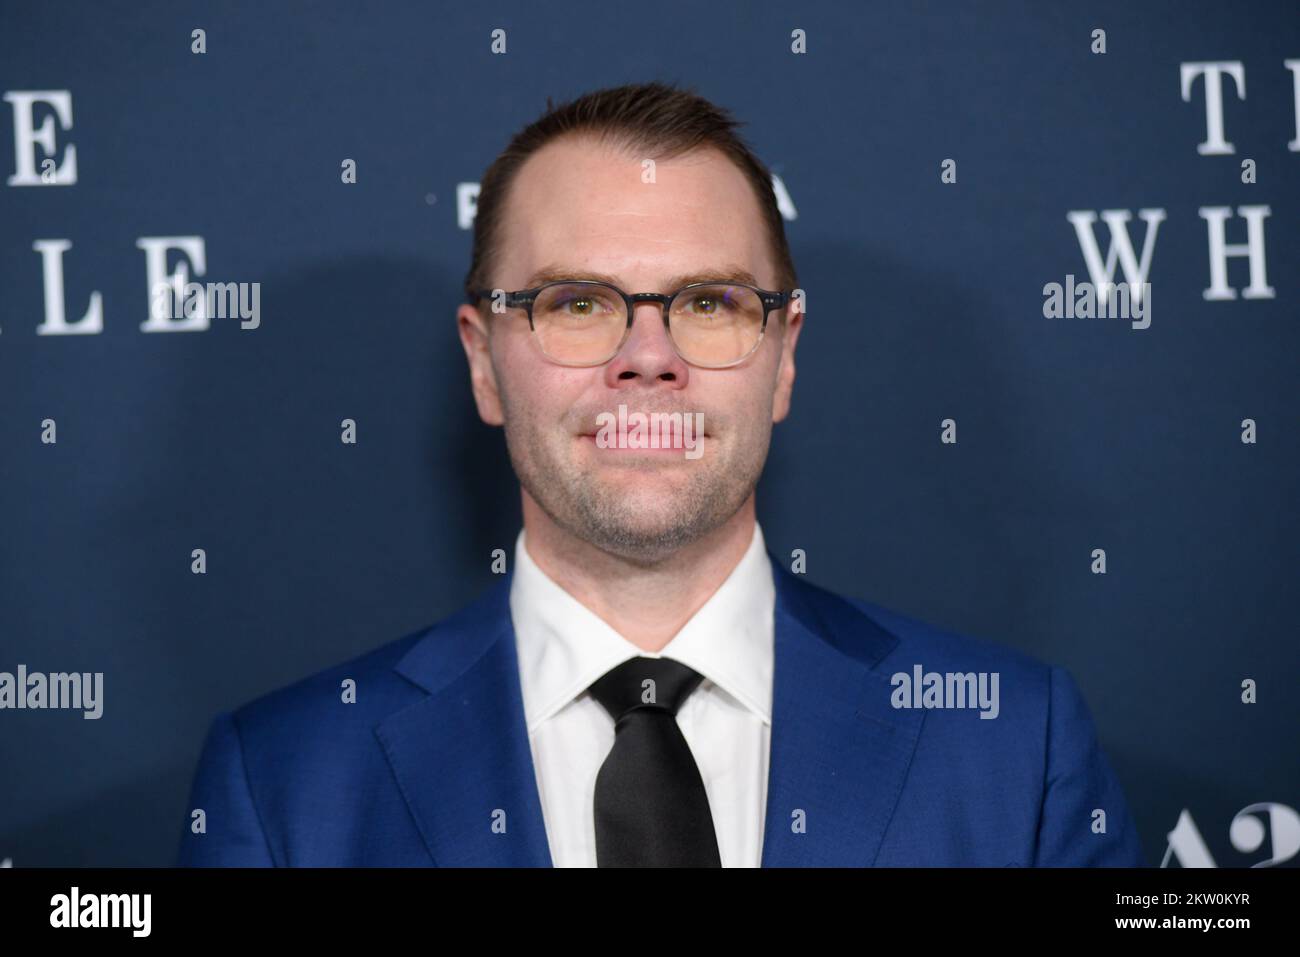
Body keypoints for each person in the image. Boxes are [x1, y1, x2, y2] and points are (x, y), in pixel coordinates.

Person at [176, 81, 1146, 868]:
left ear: (785, 355)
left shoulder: (1014, 743)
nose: (648, 355)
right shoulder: (285, 780)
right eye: (576, 302)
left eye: (710, 301)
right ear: (483, 363)